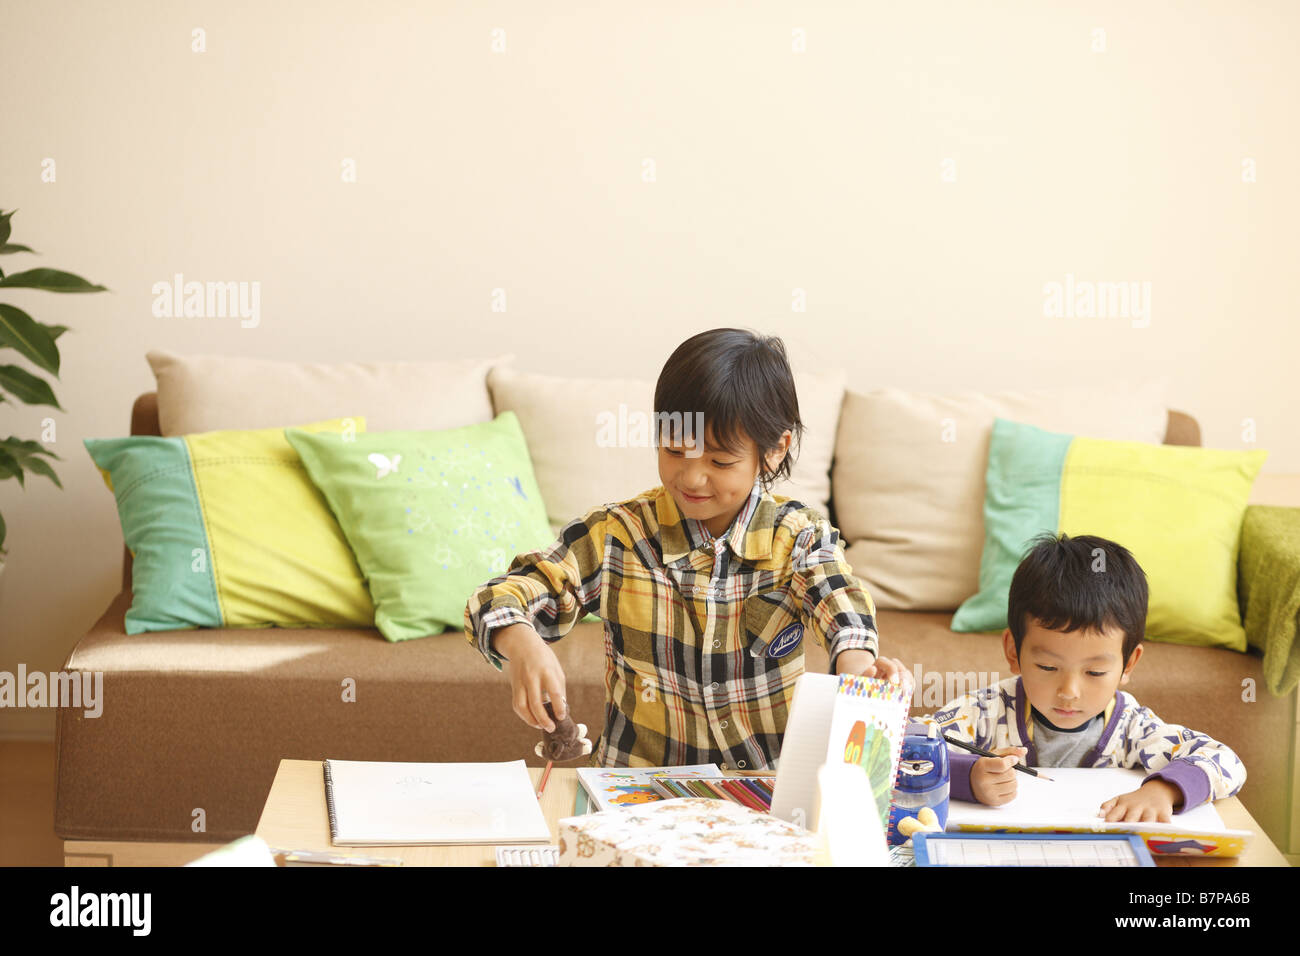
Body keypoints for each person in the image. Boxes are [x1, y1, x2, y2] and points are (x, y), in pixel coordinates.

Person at [463, 328, 907, 769]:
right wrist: (522, 644)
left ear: (774, 450)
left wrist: (858, 668)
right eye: (675, 450)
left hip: (763, 792)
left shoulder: (797, 537)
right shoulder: (616, 536)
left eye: (720, 461)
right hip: (638, 793)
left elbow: (841, 602)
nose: (692, 478)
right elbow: (498, 597)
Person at [924, 532, 1246, 823]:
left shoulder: (1131, 728)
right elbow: (907, 747)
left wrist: (1164, 790)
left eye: (1095, 672)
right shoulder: (987, 712)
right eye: (1048, 668)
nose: (1069, 691)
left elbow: (1227, 762)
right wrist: (970, 778)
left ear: (1128, 664)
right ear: (1013, 652)